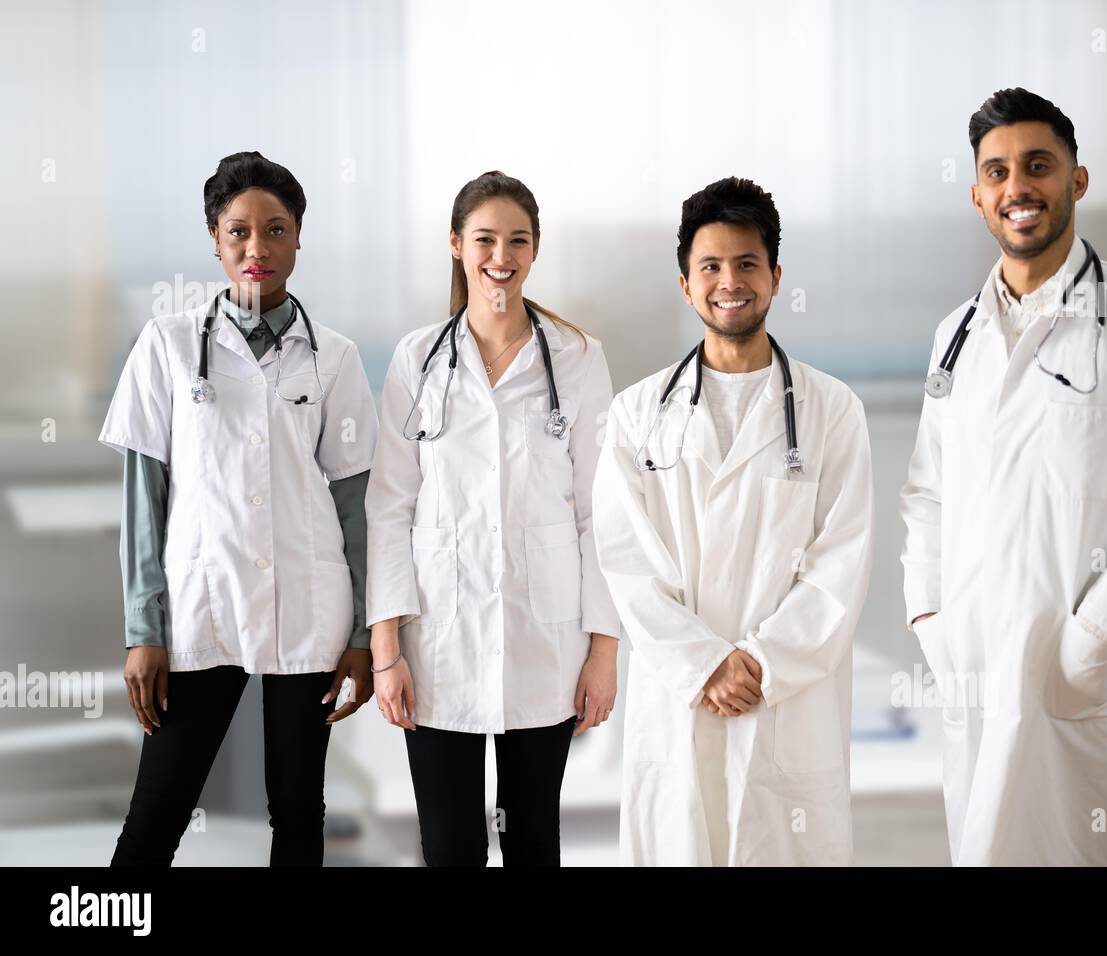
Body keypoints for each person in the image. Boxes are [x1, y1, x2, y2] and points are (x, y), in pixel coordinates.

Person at [899, 88, 1107, 865]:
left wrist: (1096, 633)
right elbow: (927, 492)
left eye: (1038, 166)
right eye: (999, 172)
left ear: (1076, 182)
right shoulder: (956, 337)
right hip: (980, 669)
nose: (1019, 187)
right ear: (978, 194)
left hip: (1093, 683)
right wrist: (929, 617)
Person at [99, 151, 378, 866]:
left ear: (298, 238)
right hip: (203, 602)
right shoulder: (165, 347)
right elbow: (144, 502)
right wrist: (143, 628)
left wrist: (363, 635)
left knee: (297, 810)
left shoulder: (336, 359)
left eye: (276, 230)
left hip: (309, 608)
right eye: (239, 232)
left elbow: (356, 507)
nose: (258, 250)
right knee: (156, 814)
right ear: (215, 240)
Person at [592, 177, 873, 866]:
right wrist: (707, 663)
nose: (729, 281)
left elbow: (844, 561)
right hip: (681, 697)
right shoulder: (636, 414)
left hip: (785, 699)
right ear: (686, 285)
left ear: (776, 277)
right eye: (710, 266)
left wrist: (762, 663)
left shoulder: (832, 410)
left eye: (747, 263)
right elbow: (624, 563)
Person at [365, 171, 619, 867]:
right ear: (456, 245)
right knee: (450, 848)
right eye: (483, 239)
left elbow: (602, 513)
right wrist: (386, 650)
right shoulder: (418, 359)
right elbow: (389, 507)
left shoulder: (578, 359)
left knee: (534, 843)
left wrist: (604, 650)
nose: (499, 256)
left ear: (534, 251)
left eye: (517, 240)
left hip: (547, 641)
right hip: (436, 644)